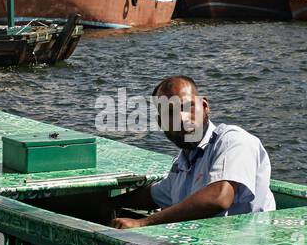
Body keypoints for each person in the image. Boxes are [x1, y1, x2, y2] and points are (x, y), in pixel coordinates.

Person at [112, 75, 275, 230]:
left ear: (204, 106)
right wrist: (110, 202)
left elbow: (218, 198)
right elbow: (155, 195)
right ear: (161, 123)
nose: (182, 119)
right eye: (171, 112)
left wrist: (143, 223)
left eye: (187, 106)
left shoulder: (233, 141)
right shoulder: (183, 162)